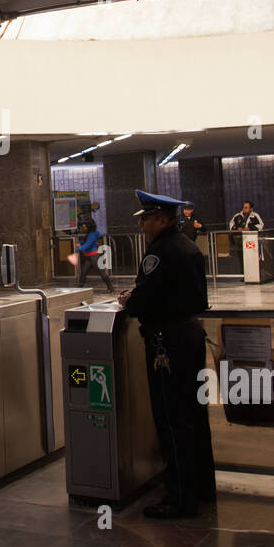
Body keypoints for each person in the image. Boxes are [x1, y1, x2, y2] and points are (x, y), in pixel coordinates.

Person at [117, 190, 213, 519]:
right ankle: (201, 487)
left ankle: (179, 499)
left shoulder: (158, 252)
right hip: (191, 335)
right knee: (194, 414)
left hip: (166, 343)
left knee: (172, 419)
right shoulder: (188, 246)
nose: (142, 224)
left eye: (145, 218)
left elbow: (145, 301)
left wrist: (130, 299)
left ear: (162, 219)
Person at [76, 218, 115, 293]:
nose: (83, 226)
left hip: (94, 256)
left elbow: (88, 244)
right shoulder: (90, 233)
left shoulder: (93, 234)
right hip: (89, 256)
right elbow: (85, 242)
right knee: (83, 272)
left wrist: (78, 249)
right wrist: (80, 243)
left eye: (85, 224)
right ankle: (79, 288)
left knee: (101, 272)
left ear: (88, 225)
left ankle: (110, 287)